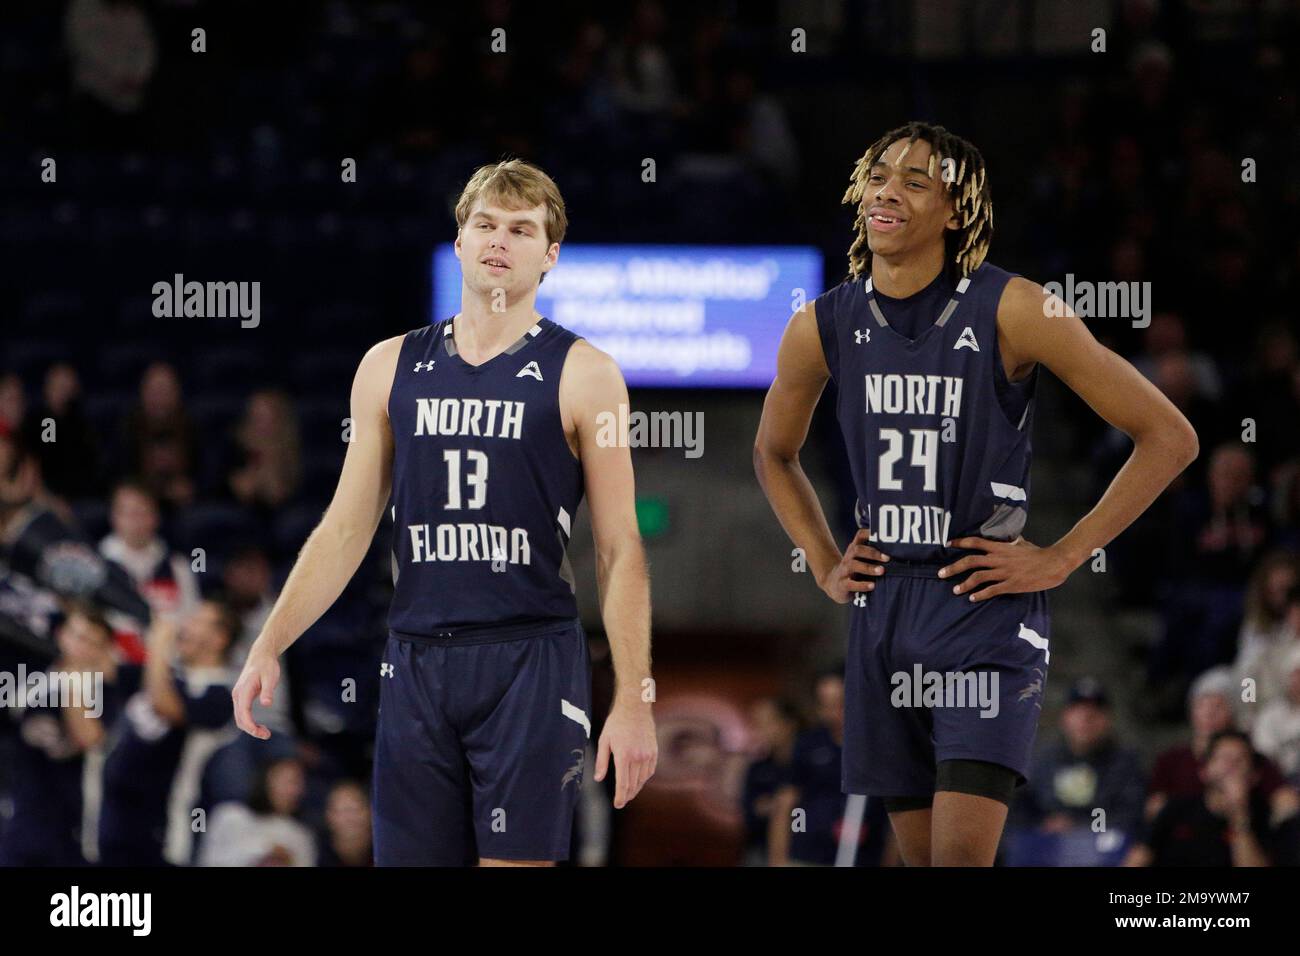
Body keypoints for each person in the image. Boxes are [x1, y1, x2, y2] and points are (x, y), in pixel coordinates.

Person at [754, 121, 1199, 866]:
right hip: (883, 607)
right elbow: (773, 452)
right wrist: (824, 558)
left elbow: (1170, 436)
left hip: (981, 606)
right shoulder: (821, 324)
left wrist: (1062, 555)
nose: (887, 190)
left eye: (915, 180)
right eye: (881, 174)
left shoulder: (1015, 308)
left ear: (956, 212)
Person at [232, 159, 657, 866]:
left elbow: (620, 549)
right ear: (458, 241)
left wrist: (636, 697)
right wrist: (270, 641)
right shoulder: (389, 366)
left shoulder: (587, 373)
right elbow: (345, 527)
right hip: (417, 657)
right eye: (485, 224)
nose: (499, 240)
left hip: (531, 659)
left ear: (550, 255)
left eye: (522, 230)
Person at [98, 601, 237, 865]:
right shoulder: (166, 675)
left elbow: (164, 705)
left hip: (163, 827)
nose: (184, 627)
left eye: (197, 622)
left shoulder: (221, 695)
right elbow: (103, 668)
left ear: (219, 639)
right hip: (115, 817)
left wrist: (159, 645)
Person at [0, 603, 120, 866]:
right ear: (61, 635)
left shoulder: (103, 690)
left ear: (103, 650)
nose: (81, 646)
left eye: (91, 641)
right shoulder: (31, 682)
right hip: (22, 815)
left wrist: (73, 683)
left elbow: (90, 738)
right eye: (77, 636)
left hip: (74, 823)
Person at [1014, 678, 1147, 840]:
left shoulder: (1126, 764)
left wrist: (1079, 826)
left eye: (1095, 711)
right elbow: (1018, 809)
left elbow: (1130, 816)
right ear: (1064, 717)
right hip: (1044, 850)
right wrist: (1041, 824)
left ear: (1108, 719)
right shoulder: (1042, 760)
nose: (1086, 717)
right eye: (1078, 709)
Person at [1125, 731, 1274, 867]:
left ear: (1254, 776)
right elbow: (1141, 855)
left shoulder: (1263, 815)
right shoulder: (1176, 808)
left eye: (1239, 759)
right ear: (1204, 772)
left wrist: (1239, 814)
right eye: (1223, 757)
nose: (1231, 765)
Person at [198, 757, 316, 867]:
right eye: (290, 781)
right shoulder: (230, 815)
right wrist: (266, 850)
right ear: (266, 779)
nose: (294, 790)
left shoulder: (301, 835)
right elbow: (209, 859)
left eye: (299, 783)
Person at [740, 696, 799, 865]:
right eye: (757, 724)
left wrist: (780, 807)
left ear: (789, 723)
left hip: (804, 850)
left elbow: (807, 811)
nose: (762, 730)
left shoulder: (810, 763)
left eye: (768, 722)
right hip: (761, 849)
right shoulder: (758, 768)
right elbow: (751, 812)